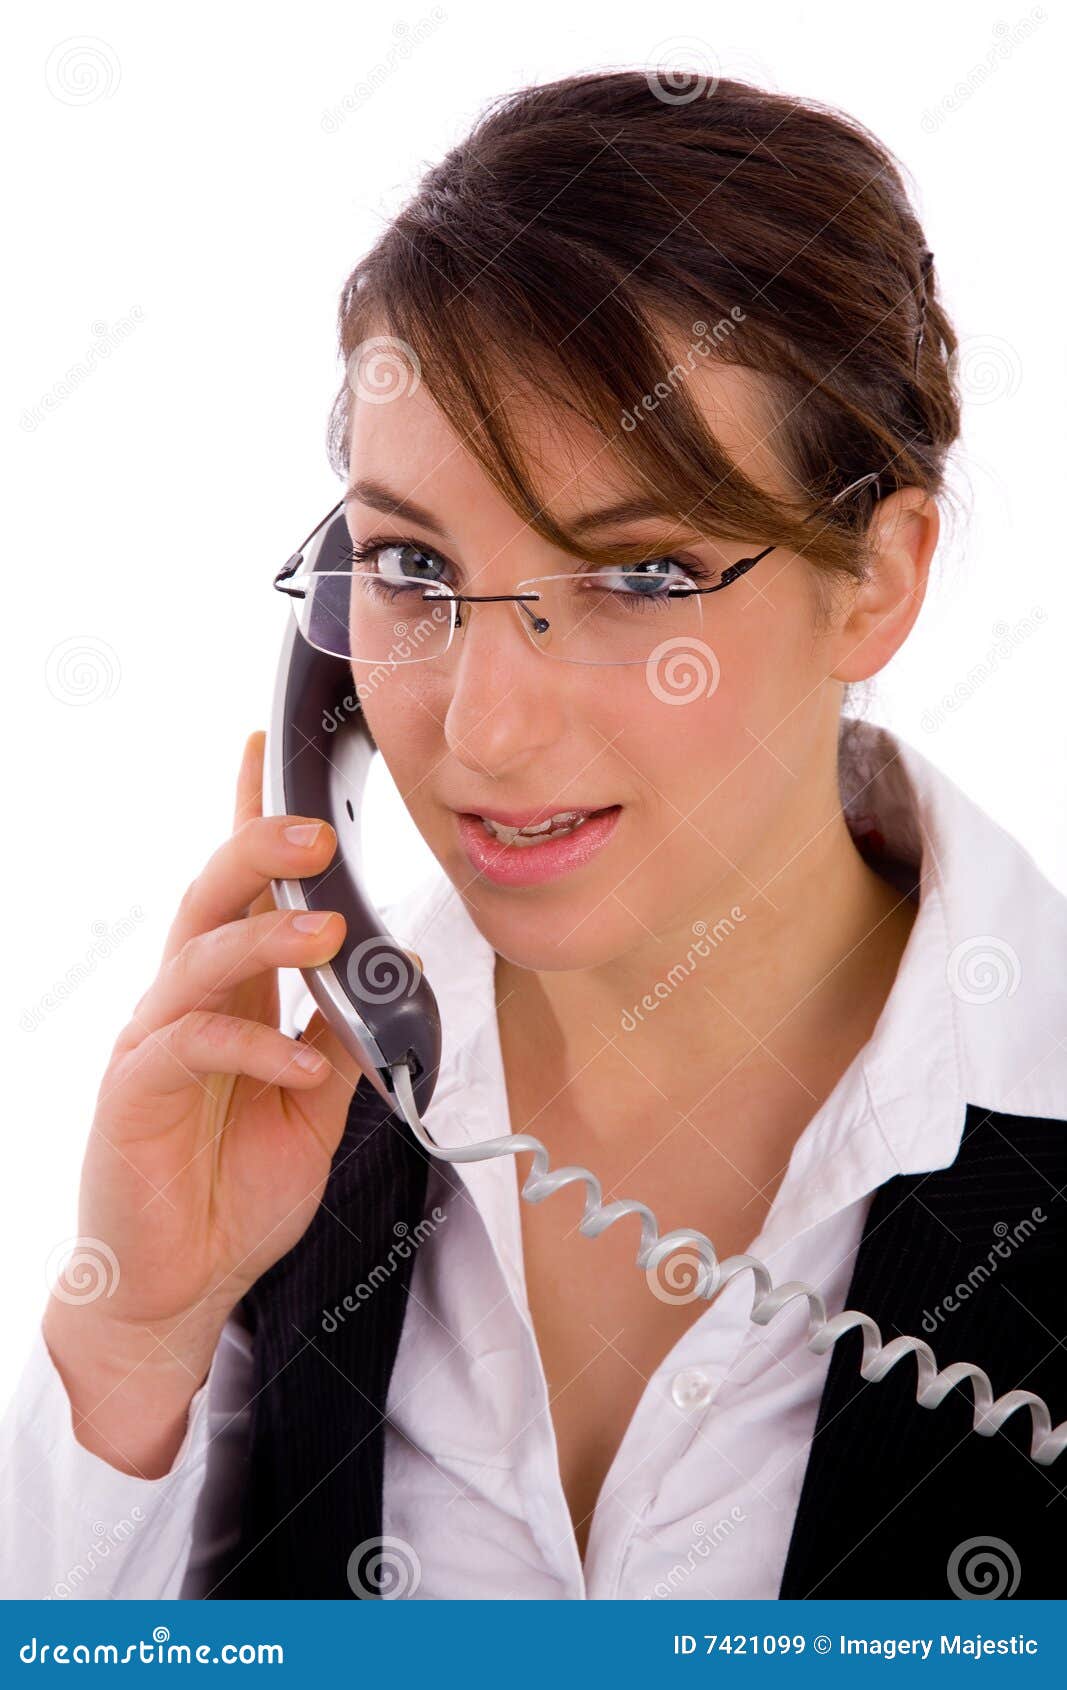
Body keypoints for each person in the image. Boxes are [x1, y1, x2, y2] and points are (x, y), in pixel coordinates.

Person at [3, 68, 1066, 1602]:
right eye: (413, 564)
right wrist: (132, 1350)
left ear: (882, 575)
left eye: (638, 575)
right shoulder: (293, 1165)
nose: (484, 728)